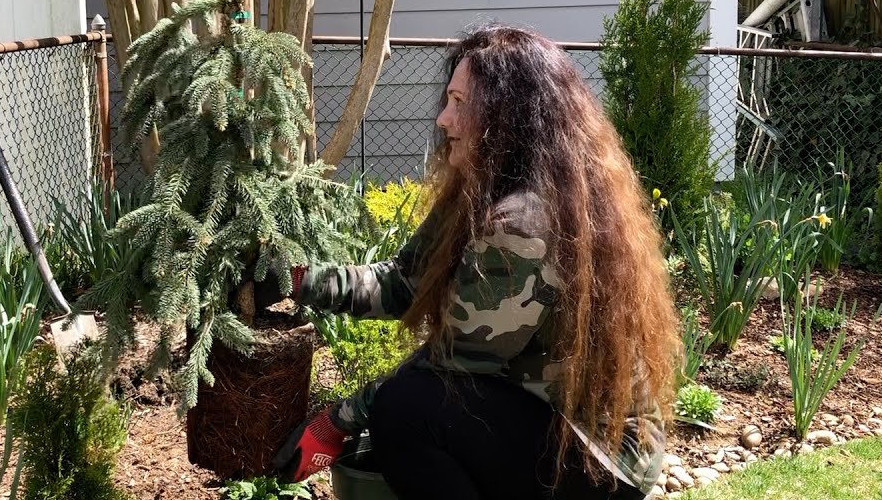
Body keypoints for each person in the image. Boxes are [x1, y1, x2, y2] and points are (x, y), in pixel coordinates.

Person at [272, 25, 680, 500]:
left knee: (407, 410)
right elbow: (401, 283)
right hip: (543, 422)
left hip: (600, 461)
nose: (443, 120)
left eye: (462, 103)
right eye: (448, 100)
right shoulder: (479, 190)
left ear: (511, 116)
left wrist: (335, 420)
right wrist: (295, 280)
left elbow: (457, 360)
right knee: (410, 404)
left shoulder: (525, 224)